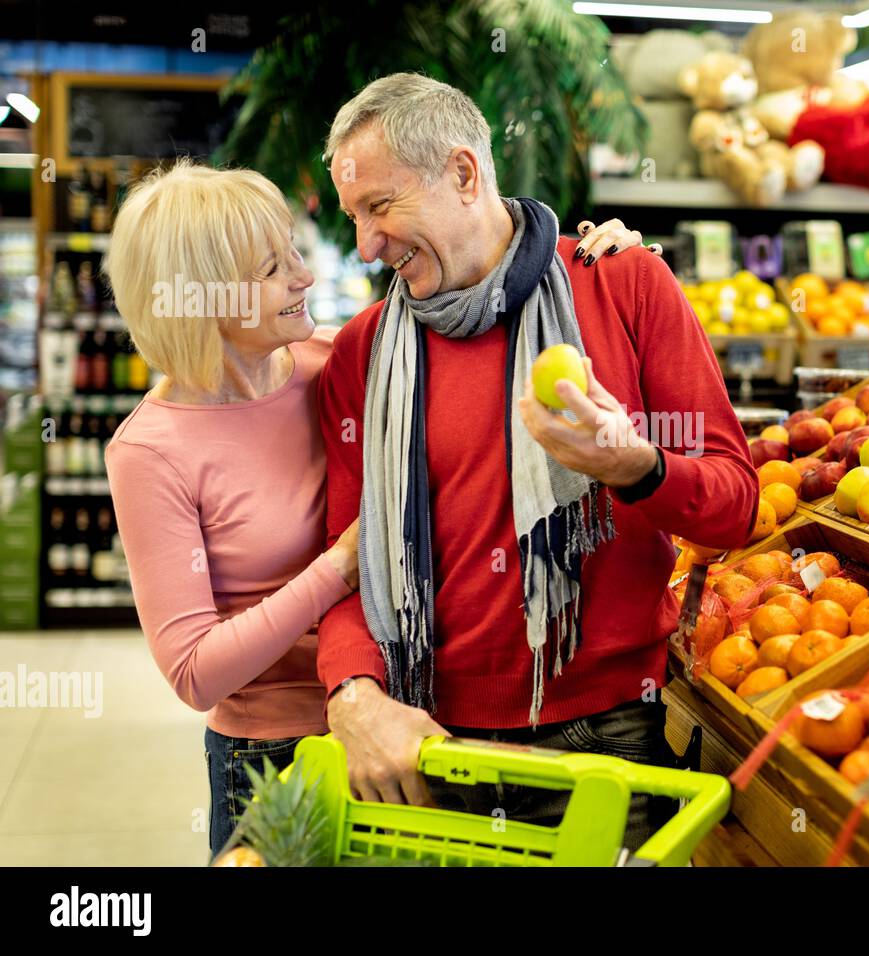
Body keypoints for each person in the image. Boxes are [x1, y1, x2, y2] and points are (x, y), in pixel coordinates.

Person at [101, 159, 648, 857]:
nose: (304, 276)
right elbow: (193, 671)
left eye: (293, 252)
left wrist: (592, 261)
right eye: (274, 268)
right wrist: (341, 565)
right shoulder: (151, 451)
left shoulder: (335, 360)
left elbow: (479, 300)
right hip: (276, 758)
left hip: (403, 719)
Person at [316, 72, 758, 852]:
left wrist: (635, 467)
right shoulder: (363, 352)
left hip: (604, 748)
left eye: (381, 206)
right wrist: (352, 692)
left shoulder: (623, 284)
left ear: (463, 173)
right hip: (425, 750)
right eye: (354, 216)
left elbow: (734, 506)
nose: (366, 245)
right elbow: (345, 564)